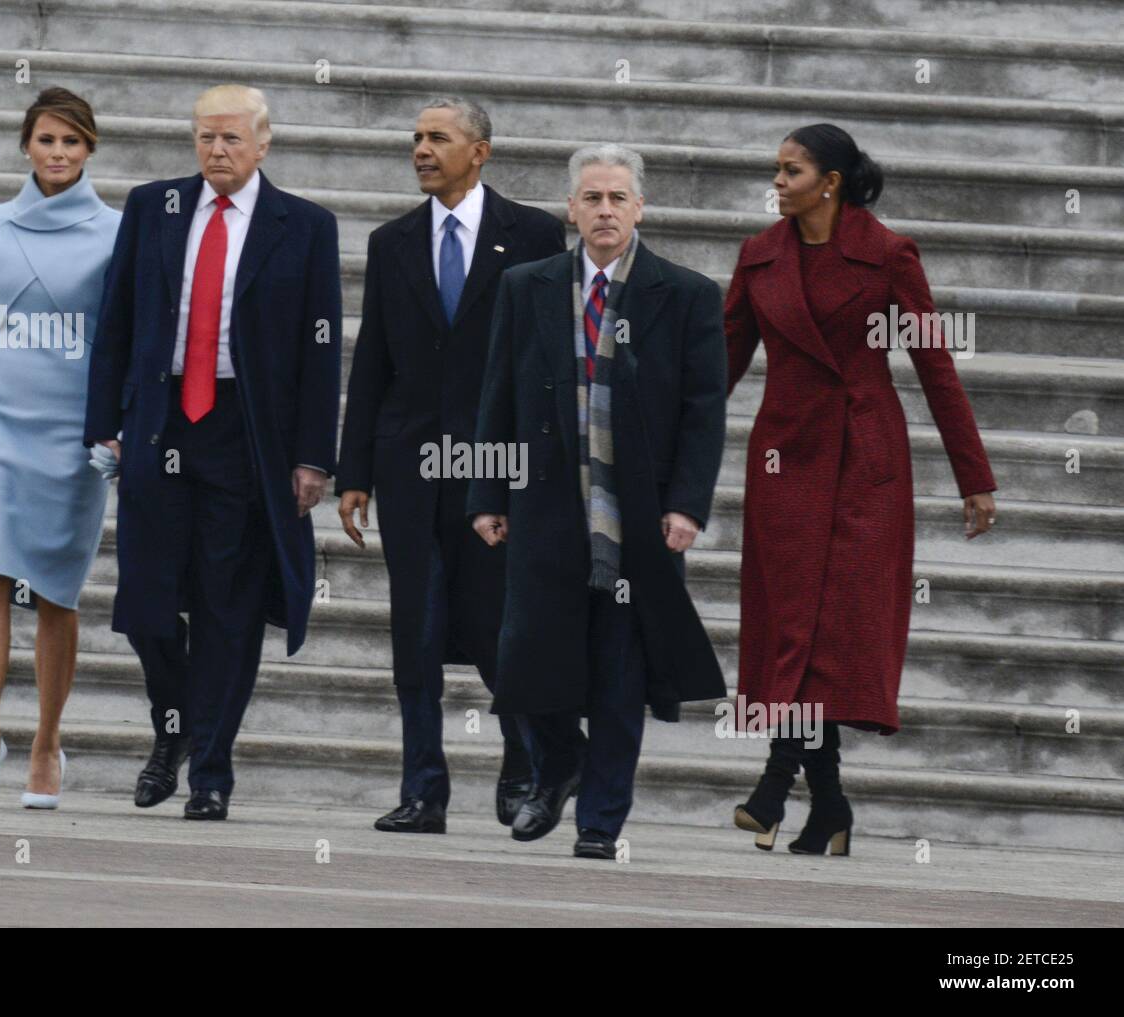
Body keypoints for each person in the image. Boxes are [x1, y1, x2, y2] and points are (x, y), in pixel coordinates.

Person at [724, 123, 998, 856]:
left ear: (831, 182)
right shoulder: (758, 257)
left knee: (830, 636)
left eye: (791, 171)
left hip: (863, 465)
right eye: (776, 170)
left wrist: (973, 475)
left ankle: (777, 781)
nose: (777, 182)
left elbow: (935, 364)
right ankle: (829, 805)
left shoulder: (886, 255)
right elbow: (715, 370)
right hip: (784, 463)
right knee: (791, 630)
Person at [83, 85, 341, 821]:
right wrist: (105, 419)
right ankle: (175, 729)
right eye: (205, 138)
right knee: (146, 603)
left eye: (231, 139)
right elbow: (117, 318)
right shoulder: (152, 205)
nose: (216, 151)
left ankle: (212, 772)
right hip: (162, 418)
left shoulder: (306, 226)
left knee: (229, 608)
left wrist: (313, 456)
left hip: (245, 430)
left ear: (263, 144)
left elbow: (321, 352)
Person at [468, 144, 727, 859]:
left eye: (618, 198)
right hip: (546, 505)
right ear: (572, 209)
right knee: (525, 661)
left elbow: (705, 413)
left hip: (637, 517)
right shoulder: (527, 285)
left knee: (620, 672)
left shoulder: (688, 295)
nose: (605, 210)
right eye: (592, 198)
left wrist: (687, 505)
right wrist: (488, 490)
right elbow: (496, 394)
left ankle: (600, 820)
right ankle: (559, 761)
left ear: (640, 207)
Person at [336, 97, 565, 834]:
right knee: (417, 631)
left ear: (482, 151)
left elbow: (544, 357)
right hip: (408, 460)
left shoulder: (530, 232)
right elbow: (371, 359)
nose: (422, 150)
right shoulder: (392, 240)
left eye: (438, 138)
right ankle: (423, 790)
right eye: (416, 138)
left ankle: (525, 766)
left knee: (499, 624)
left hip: (493, 461)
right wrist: (355, 472)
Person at [0, 87, 119, 810]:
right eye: (47, 140)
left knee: (54, 589)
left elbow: (126, 339)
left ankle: (46, 742)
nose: (58, 153)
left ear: (90, 149)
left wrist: (120, 429)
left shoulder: (118, 232)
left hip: (73, 428)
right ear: (26, 144)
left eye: (72, 142)